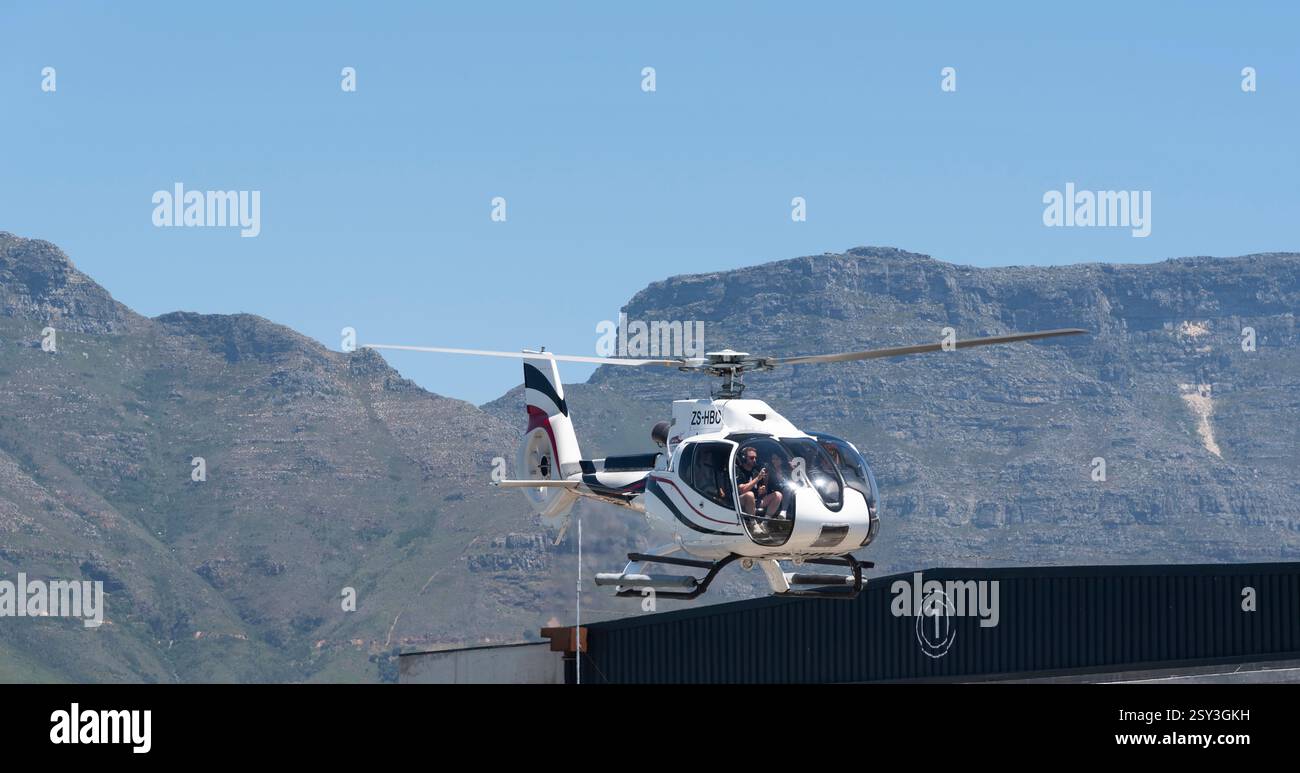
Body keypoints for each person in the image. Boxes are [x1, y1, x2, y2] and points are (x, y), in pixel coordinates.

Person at [736, 446, 783, 517]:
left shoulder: (756, 472)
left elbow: (761, 490)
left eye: (755, 458)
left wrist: (762, 490)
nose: (754, 460)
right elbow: (742, 490)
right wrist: (758, 478)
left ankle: (765, 521)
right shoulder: (739, 471)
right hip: (740, 501)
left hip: (756, 500)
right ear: (744, 458)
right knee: (749, 495)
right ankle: (753, 523)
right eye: (751, 458)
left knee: (778, 495)